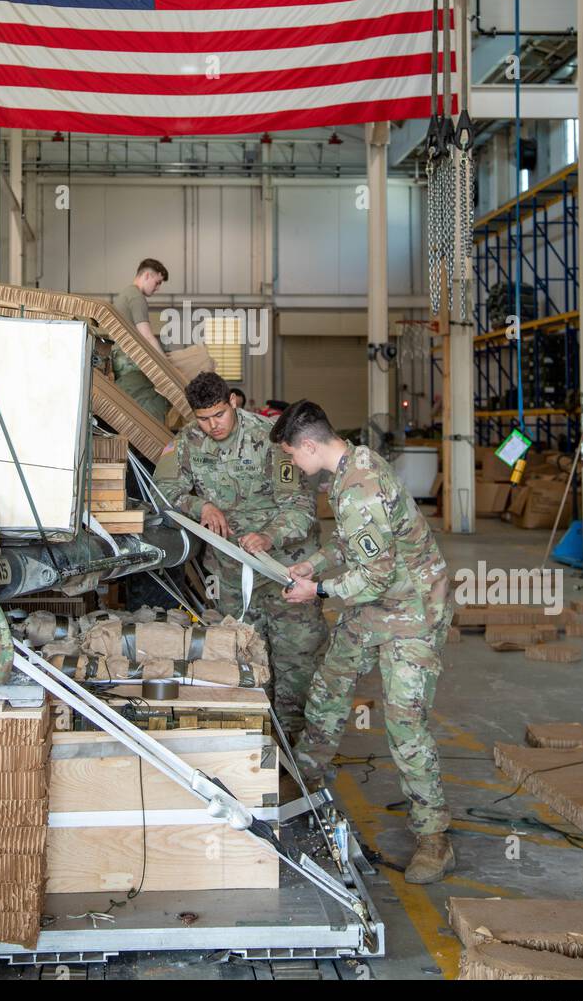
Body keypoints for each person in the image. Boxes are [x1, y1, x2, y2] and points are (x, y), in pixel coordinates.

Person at [269, 399, 455, 885]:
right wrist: (315, 562)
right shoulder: (351, 467)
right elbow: (356, 545)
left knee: (404, 723)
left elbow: (374, 574)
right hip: (376, 601)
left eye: (293, 455)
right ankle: (306, 775)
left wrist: (319, 589)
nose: (293, 465)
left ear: (310, 445)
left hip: (412, 608)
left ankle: (434, 836)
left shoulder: (359, 487)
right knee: (329, 684)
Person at [153, 372, 328, 737]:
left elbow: (299, 505)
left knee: (296, 665)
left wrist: (268, 535)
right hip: (232, 577)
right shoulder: (187, 442)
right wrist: (199, 505)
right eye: (203, 418)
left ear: (232, 401)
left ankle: (298, 756)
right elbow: (161, 492)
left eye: (219, 414)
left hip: (285, 569)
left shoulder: (271, 439)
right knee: (244, 663)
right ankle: (256, 751)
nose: (212, 425)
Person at [111, 259, 170, 423]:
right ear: (147, 275)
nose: (157, 288)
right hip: (128, 361)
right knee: (157, 396)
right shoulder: (136, 297)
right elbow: (147, 336)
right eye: (157, 282)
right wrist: (166, 366)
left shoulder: (125, 294)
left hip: (120, 358)